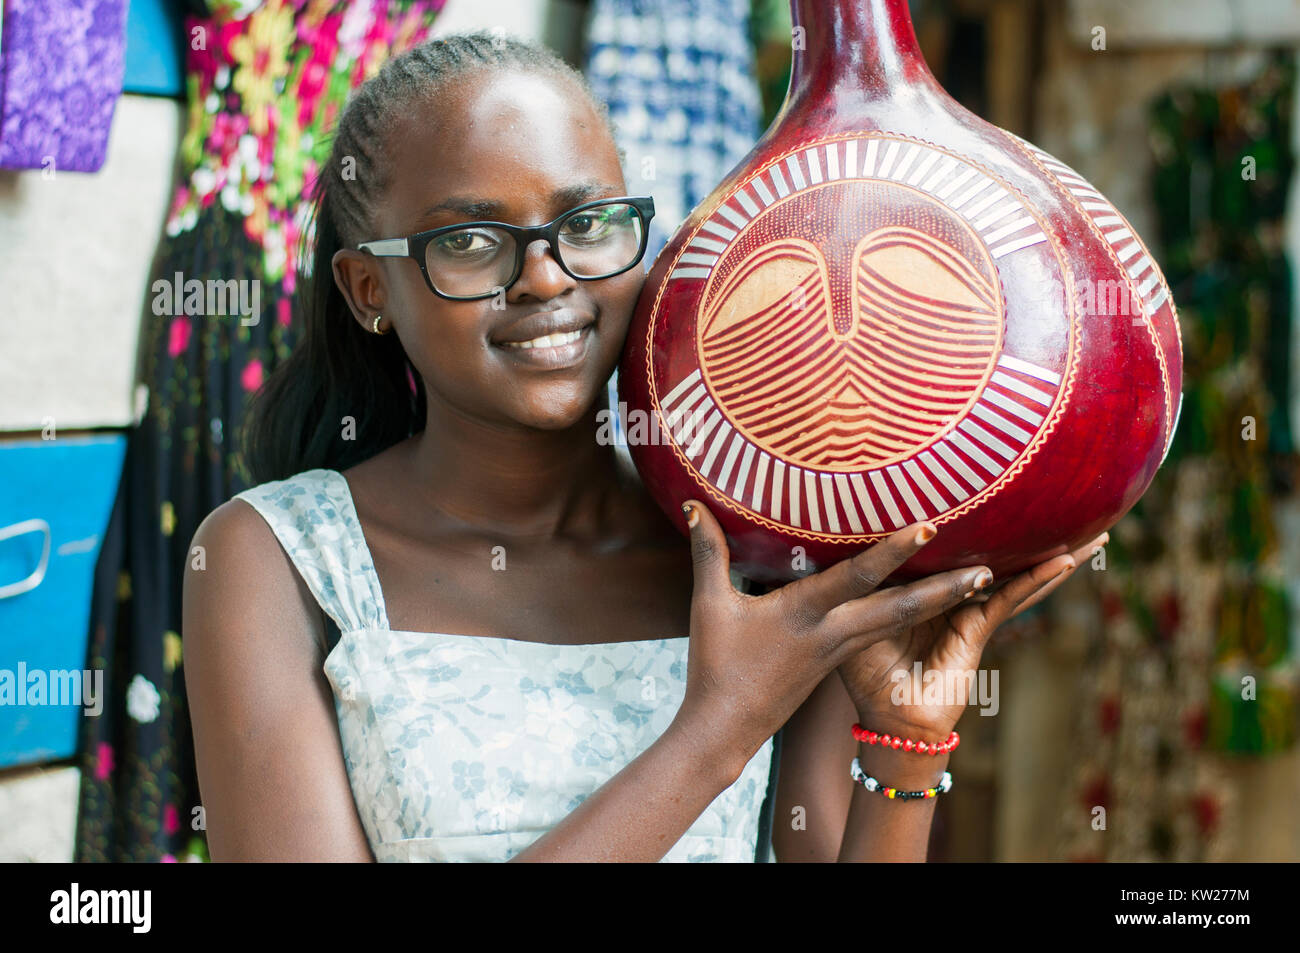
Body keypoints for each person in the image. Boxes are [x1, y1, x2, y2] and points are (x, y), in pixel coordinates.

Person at [182, 32, 1104, 863]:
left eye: (586, 227)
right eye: (470, 240)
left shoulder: (756, 547)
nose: (545, 279)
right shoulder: (276, 562)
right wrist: (719, 727)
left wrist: (904, 736)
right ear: (367, 288)